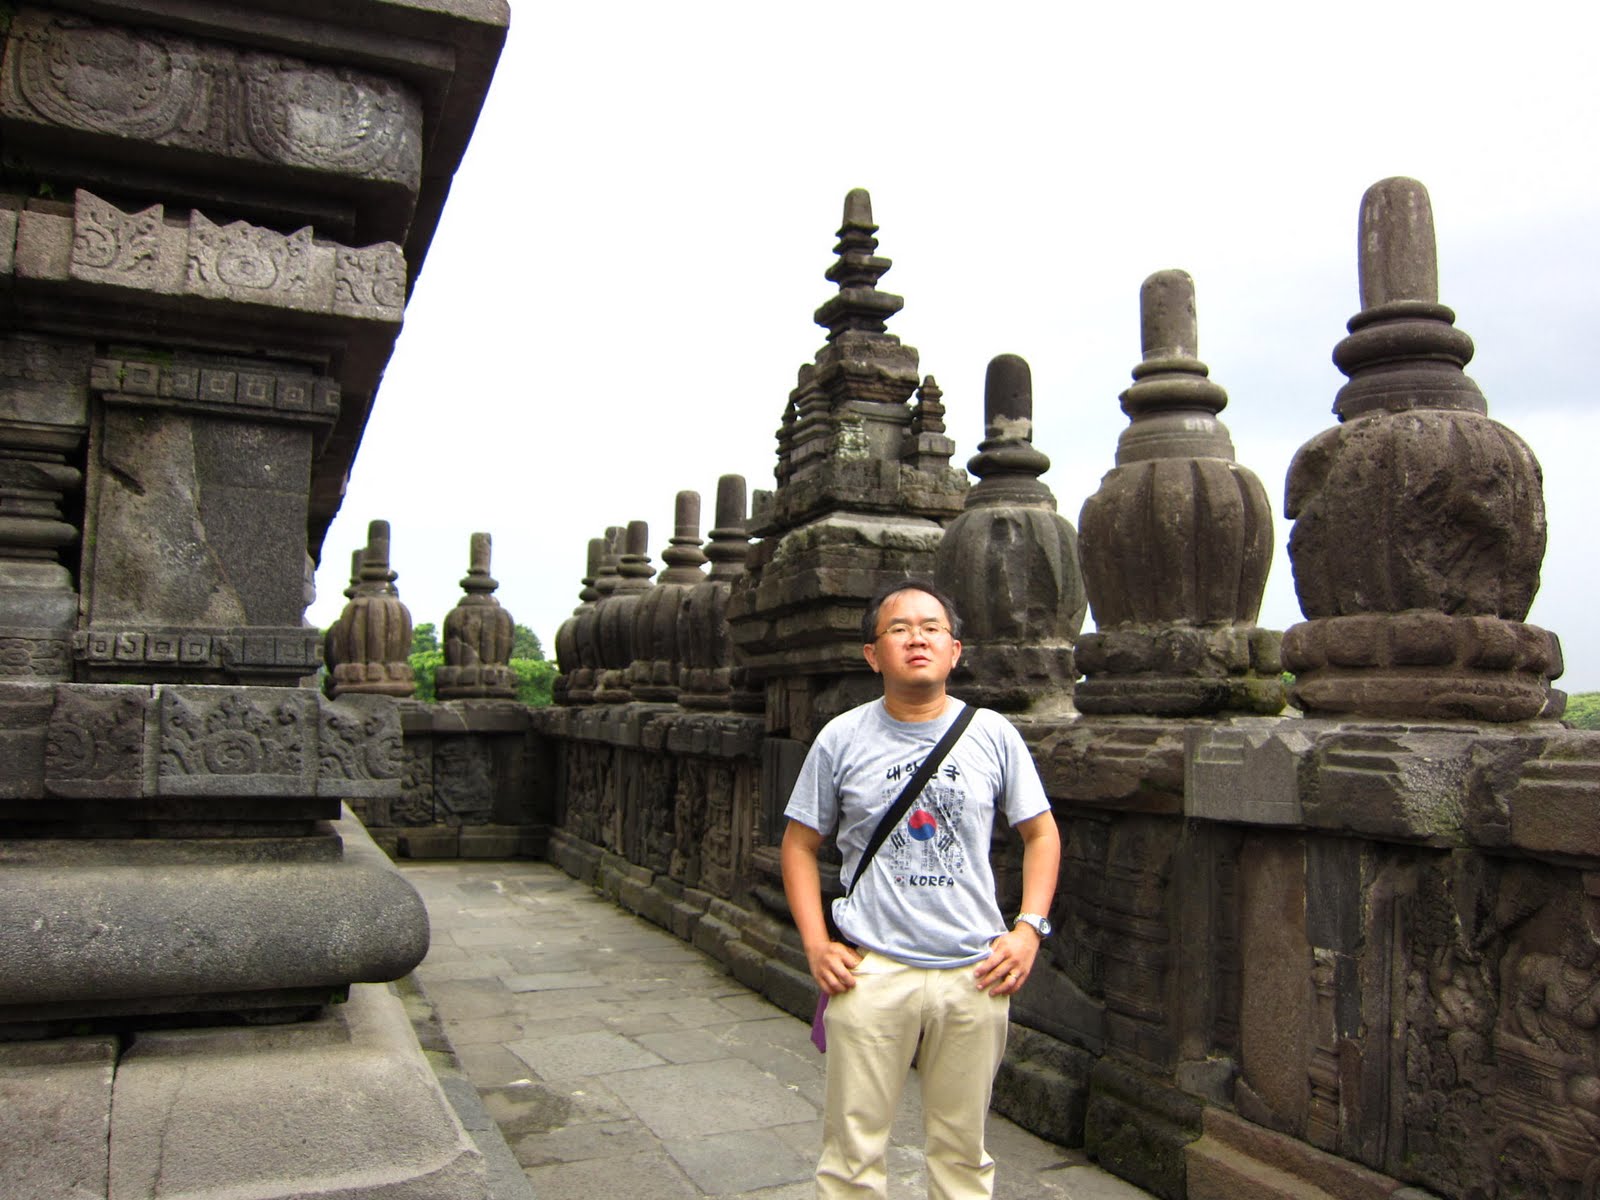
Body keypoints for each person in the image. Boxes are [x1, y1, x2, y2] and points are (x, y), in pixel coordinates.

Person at [781, 578, 1062, 1200]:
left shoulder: (992, 734)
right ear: (872, 654)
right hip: (871, 969)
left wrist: (1028, 929)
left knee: (963, 1154)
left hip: (974, 972)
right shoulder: (842, 738)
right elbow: (799, 847)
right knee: (851, 1156)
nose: (917, 639)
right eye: (899, 628)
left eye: (931, 628)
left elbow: (1042, 835)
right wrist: (814, 944)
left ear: (954, 651)